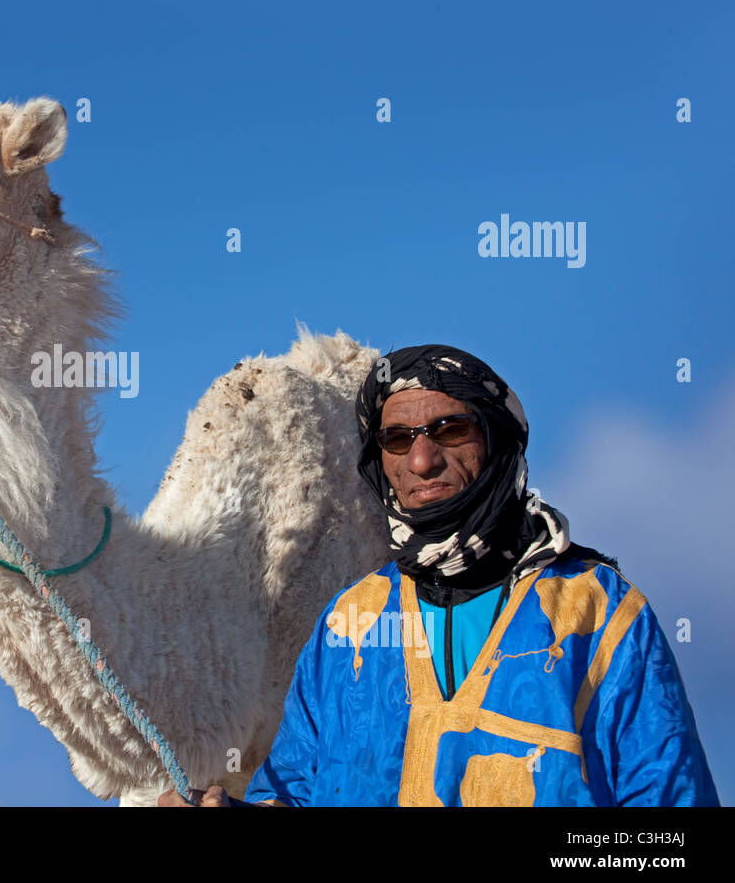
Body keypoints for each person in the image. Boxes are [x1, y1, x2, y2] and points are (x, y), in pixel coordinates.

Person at [159, 344, 718, 807]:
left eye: (448, 431)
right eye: (397, 441)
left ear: (497, 440)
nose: (421, 461)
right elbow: (295, 792)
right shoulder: (348, 625)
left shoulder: (598, 614)